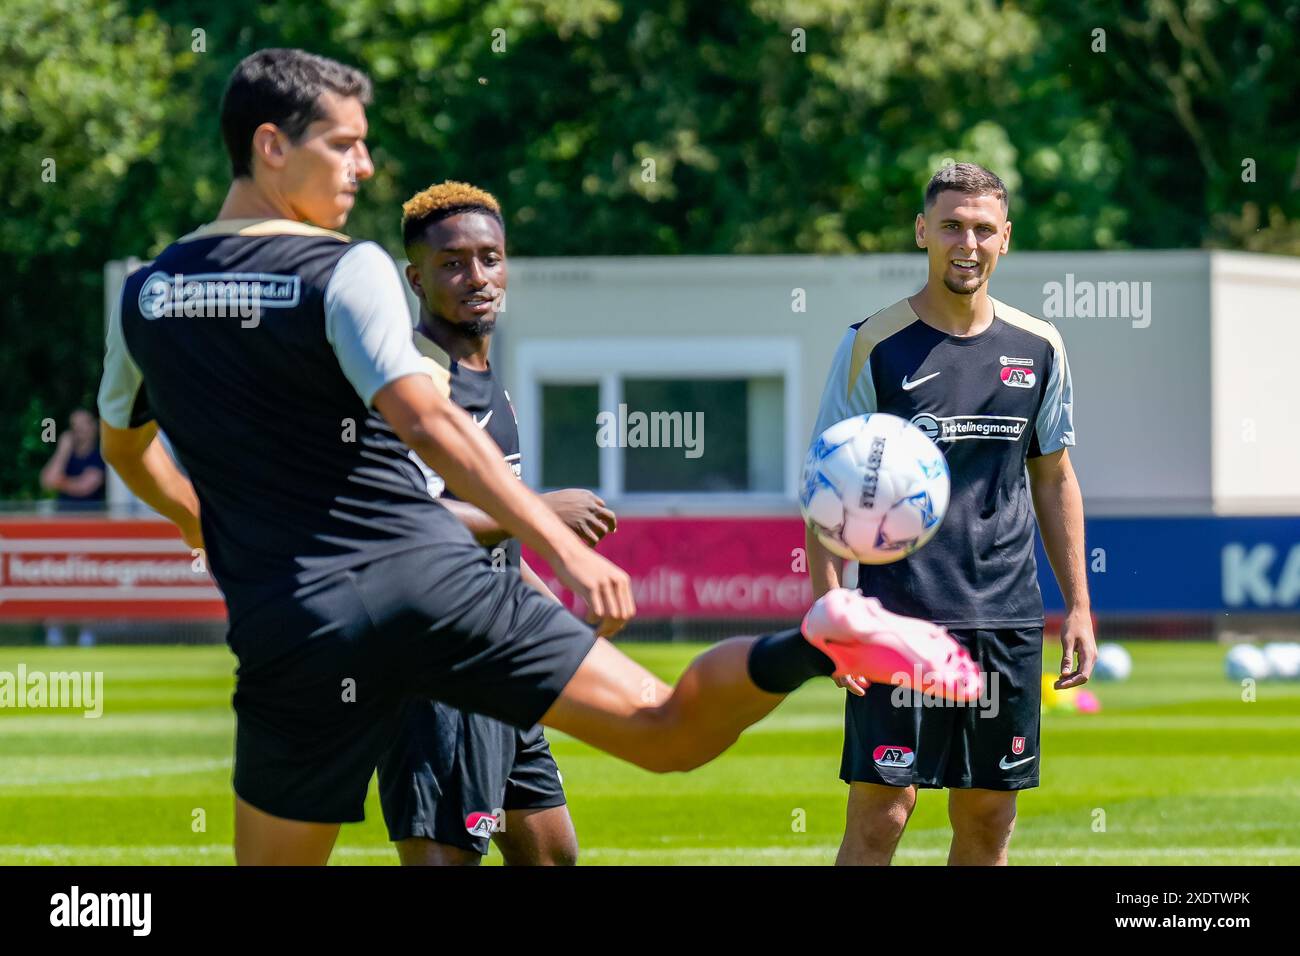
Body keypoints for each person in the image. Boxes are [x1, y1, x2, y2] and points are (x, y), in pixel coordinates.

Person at [97, 48, 978, 865]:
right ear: (269, 145)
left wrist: (199, 520)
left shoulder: (148, 292)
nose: (363, 168)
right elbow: (428, 424)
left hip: (296, 618)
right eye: (345, 145)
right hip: (432, 579)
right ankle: (816, 641)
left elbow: (125, 448)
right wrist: (560, 545)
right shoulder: (344, 268)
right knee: (665, 728)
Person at [805, 163, 1096, 866]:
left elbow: (1054, 476)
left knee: (989, 816)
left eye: (983, 229)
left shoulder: (1039, 346)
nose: (967, 243)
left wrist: (1079, 607)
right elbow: (829, 489)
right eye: (952, 227)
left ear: (1006, 240)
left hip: (1005, 616)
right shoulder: (872, 344)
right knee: (882, 814)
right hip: (898, 616)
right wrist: (829, 609)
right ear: (922, 233)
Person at [379, 180, 615, 865]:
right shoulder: (413, 383)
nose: (476, 277)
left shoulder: (490, 382)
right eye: (453, 263)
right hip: (435, 665)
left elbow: (496, 551)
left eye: (490, 258)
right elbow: (398, 523)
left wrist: (559, 626)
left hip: (498, 657)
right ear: (415, 278)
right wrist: (540, 510)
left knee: (549, 857)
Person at [40, 408, 107, 512]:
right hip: (63, 518)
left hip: (91, 518)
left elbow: (85, 487)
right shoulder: (66, 455)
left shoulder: (100, 456)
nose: (79, 429)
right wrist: (62, 451)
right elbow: (47, 481)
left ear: (94, 426)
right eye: (74, 425)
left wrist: (59, 482)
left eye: (84, 423)